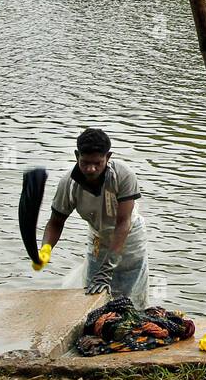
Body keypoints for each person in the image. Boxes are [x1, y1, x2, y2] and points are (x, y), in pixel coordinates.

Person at [32, 128, 148, 306]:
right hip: (98, 239)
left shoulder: (123, 176)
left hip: (129, 238)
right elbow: (56, 222)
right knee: (92, 294)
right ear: (76, 155)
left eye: (97, 163)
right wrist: (45, 249)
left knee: (128, 298)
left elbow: (123, 223)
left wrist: (107, 268)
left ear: (108, 157)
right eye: (85, 162)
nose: (90, 169)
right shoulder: (68, 184)